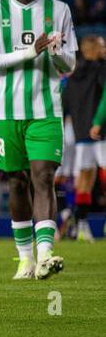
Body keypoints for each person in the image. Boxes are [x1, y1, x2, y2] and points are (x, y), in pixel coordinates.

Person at [0, 0, 77, 279]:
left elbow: (70, 63)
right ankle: (25, 258)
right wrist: (28, 52)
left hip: (46, 110)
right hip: (5, 113)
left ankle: (45, 254)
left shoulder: (58, 10)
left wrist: (56, 52)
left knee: (43, 177)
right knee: (16, 183)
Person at [62, 35, 105, 240]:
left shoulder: (73, 75)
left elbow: (64, 104)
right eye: (102, 45)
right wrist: (98, 121)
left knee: (85, 179)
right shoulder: (101, 68)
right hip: (100, 130)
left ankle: (81, 225)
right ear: (93, 49)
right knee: (97, 174)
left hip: (80, 133)